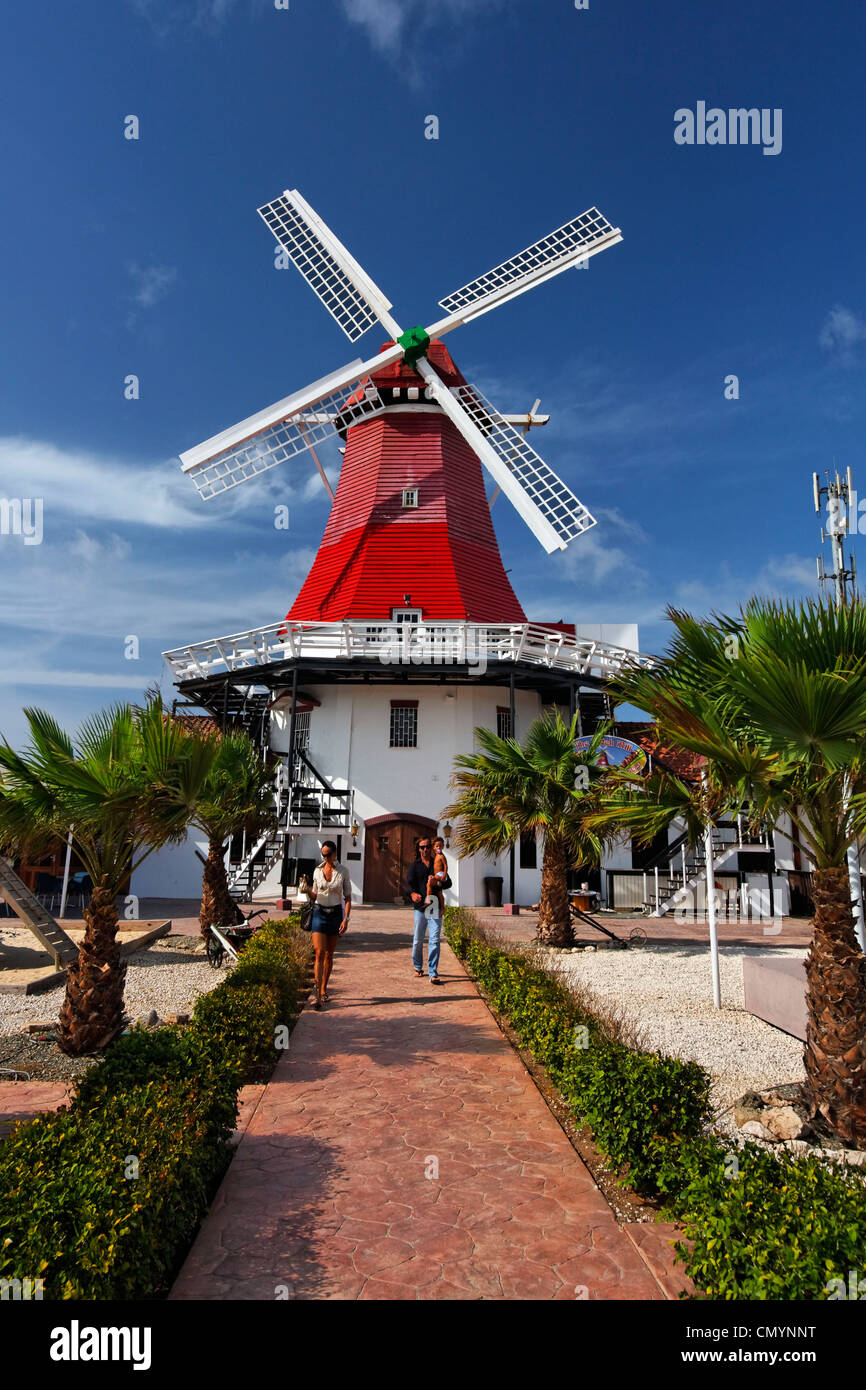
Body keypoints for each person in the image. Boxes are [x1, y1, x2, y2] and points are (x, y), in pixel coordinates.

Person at [307, 840, 352, 1009]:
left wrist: (346, 919)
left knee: (329, 955)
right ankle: (317, 994)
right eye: (323, 854)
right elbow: (315, 895)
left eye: (328, 854)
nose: (325, 857)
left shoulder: (343, 872)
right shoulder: (317, 871)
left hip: (335, 914)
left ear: (334, 854)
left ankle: (324, 987)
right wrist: (307, 890)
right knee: (319, 953)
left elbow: (347, 898)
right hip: (319, 912)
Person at [407, 838, 442, 984]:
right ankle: (418, 966)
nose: (425, 850)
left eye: (427, 847)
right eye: (422, 848)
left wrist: (440, 881)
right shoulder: (415, 866)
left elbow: (447, 882)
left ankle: (433, 972)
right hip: (420, 908)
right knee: (418, 940)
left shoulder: (437, 863)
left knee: (434, 940)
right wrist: (412, 894)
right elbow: (409, 884)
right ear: (418, 849)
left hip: (434, 907)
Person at [424, 836, 450, 918]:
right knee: (439, 892)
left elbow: (445, 866)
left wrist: (445, 875)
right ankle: (442, 908)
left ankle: (428, 900)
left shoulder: (441, 856)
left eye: (440, 846)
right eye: (437, 846)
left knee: (429, 883)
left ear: (443, 846)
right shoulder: (436, 856)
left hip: (441, 874)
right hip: (437, 875)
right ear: (434, 847)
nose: (439, 847)